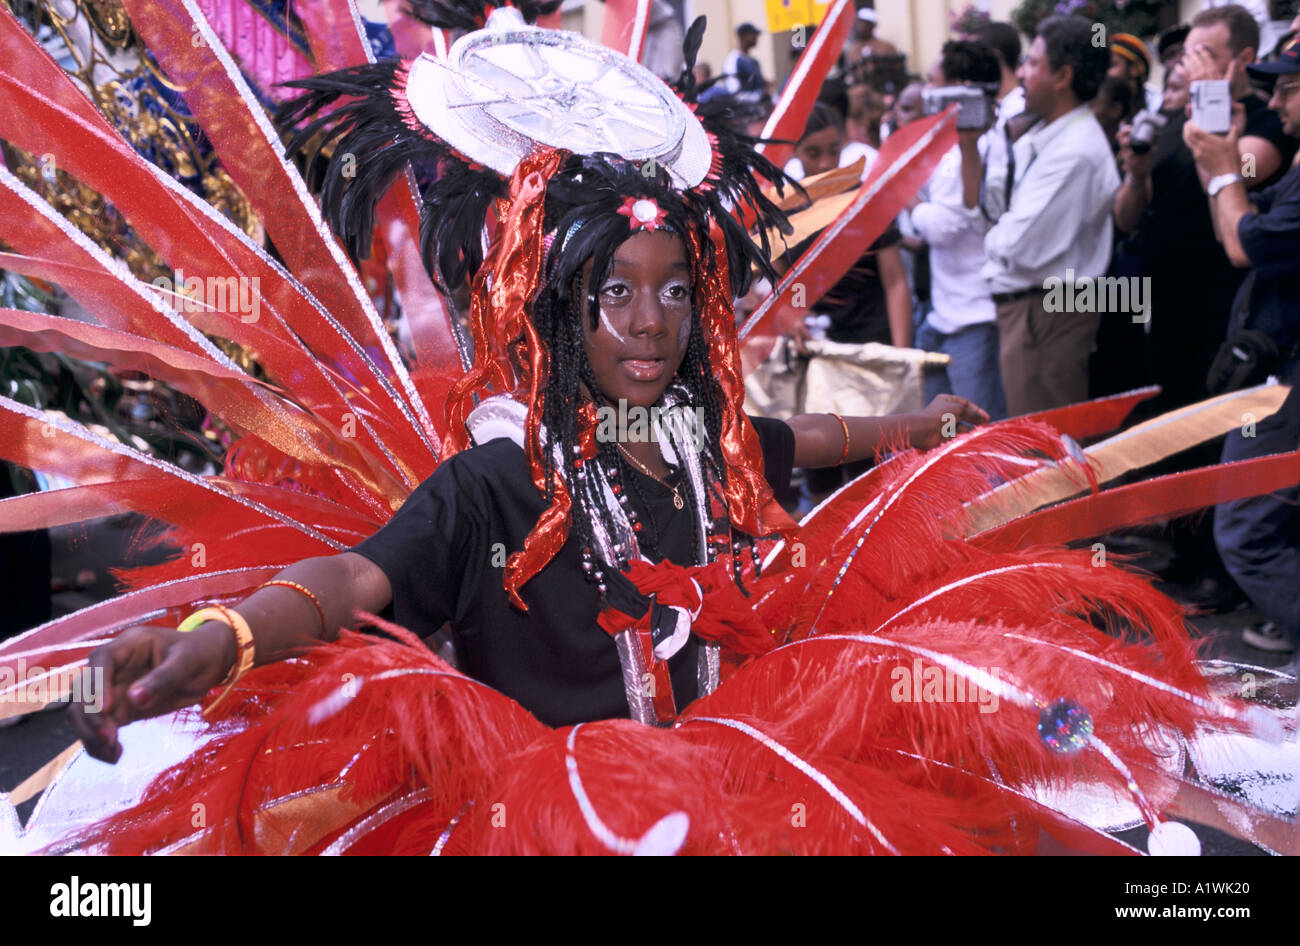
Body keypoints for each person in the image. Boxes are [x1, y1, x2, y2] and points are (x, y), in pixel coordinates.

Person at [9, 2, 1237, 856]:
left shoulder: (695, 448)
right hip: (546, 820)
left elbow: (785, 439)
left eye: (669, 290)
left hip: (737, 785)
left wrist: (919, 425)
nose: (647, 326)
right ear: (556, 312)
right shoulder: (501, 480)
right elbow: (347, 580)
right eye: (613, 295)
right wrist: (220, 636)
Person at [1113, 3, 1296, 413]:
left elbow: (1231, 172)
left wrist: (1209, 103)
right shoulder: (1172, 118)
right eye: (1187, 54)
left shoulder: (1270, 120)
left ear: (1244, 58)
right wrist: (1137, 175)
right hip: (1166, 305)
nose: (1189, 65)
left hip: (1224, 308)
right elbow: (1126, 218)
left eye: (1205, 54)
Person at [1185, 33, 1300, 656]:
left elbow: (1241, 244)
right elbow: (1236, 225)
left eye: (1288, 86)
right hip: (1276, 375)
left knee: (1246, 533)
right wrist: (1218, 169)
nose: (1275, 103)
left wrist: (1225, 169)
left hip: (1289, 385)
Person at [960, 15, 1119, 416]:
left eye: (1032, 63)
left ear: (1063, 76)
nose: (1021, 74)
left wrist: (995, 234)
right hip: (1033, 312)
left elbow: (1014, 246)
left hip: (1046, 315)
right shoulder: (1044, 135)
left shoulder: (1075, 152)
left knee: (1042, 457)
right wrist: (978, 146)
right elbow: (988, 210)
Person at [911, 41, 1007, 419]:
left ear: (960, 89)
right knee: (942, 439)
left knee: (980, 438)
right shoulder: (950, 147)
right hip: (940, 315)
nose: (926, 92)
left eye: (933, 82)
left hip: (975, 319)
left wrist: (905, 198)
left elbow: (942, 228)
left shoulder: (983, 147)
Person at [1108, 32, 1159, 117]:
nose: (1107, 72)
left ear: (1134, 69)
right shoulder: (1102, 107)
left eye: (1112, 65)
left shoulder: (1158, 105)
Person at [718, 21, 763, 96]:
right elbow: (734, 92)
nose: (756, 37)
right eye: (753, 34)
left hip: (757, 105)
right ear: (743, 36)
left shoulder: (754, 61)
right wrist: (758, 96)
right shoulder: (732, 60)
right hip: (742, 107)